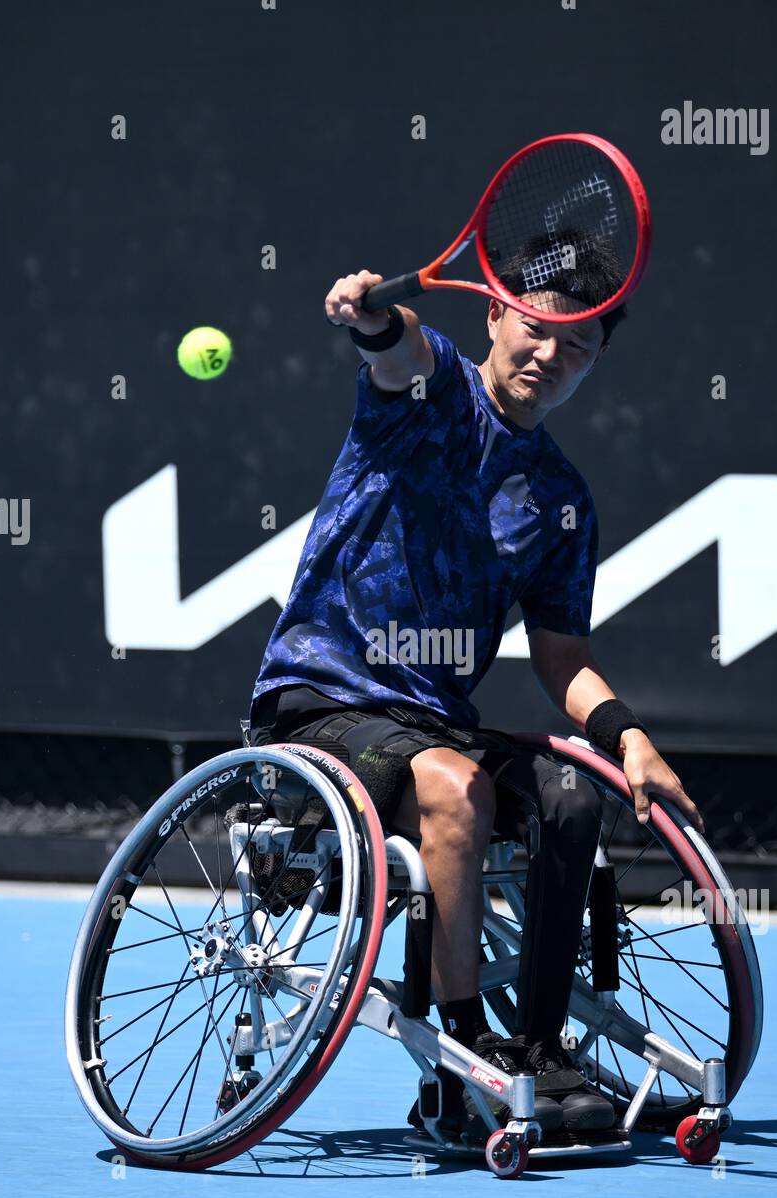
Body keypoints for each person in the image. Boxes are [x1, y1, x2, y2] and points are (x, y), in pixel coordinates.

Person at [248, 244, 704, 1137]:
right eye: (537, 329)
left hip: (434, 723)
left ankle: (537, 1048)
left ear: (594, 364)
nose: (550, 357)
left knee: (573, 793)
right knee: (456, 787)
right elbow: (399, 342)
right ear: (495, 314)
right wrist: (371, 313)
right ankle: (462, 1061)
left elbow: (561, 656)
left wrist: (628, 738)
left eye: (576, 349)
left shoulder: (560, 499)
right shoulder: (434, 394)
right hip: (322, 701)